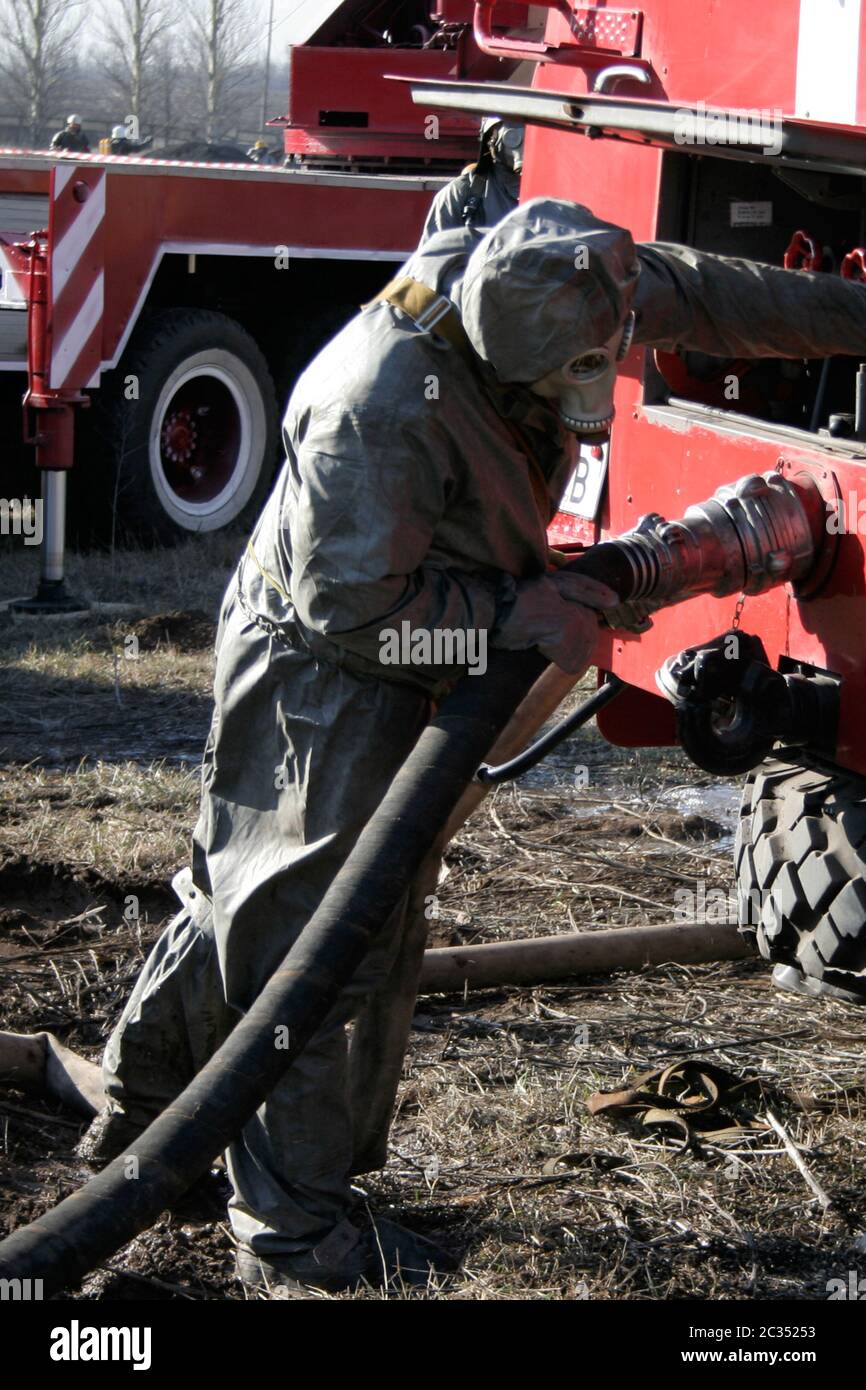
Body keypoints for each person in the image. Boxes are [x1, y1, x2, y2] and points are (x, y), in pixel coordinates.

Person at [79, 197, 866, 1296]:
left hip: (405, 601)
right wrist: (505, 617)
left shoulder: (567, 279)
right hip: (326, 664)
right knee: (319, 925)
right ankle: (290, 1235)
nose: (588, 396)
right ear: (504, 362)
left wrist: (855, 314)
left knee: (267, 900)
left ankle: (147, 1120)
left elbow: (726, 299)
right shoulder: (379, 407)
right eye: (565, 383)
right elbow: (352, 612)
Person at [420, 116, 524, 243]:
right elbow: (434, 259)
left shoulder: (551, 193)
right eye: (513, 135)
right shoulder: (459, 195)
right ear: (492, 139)